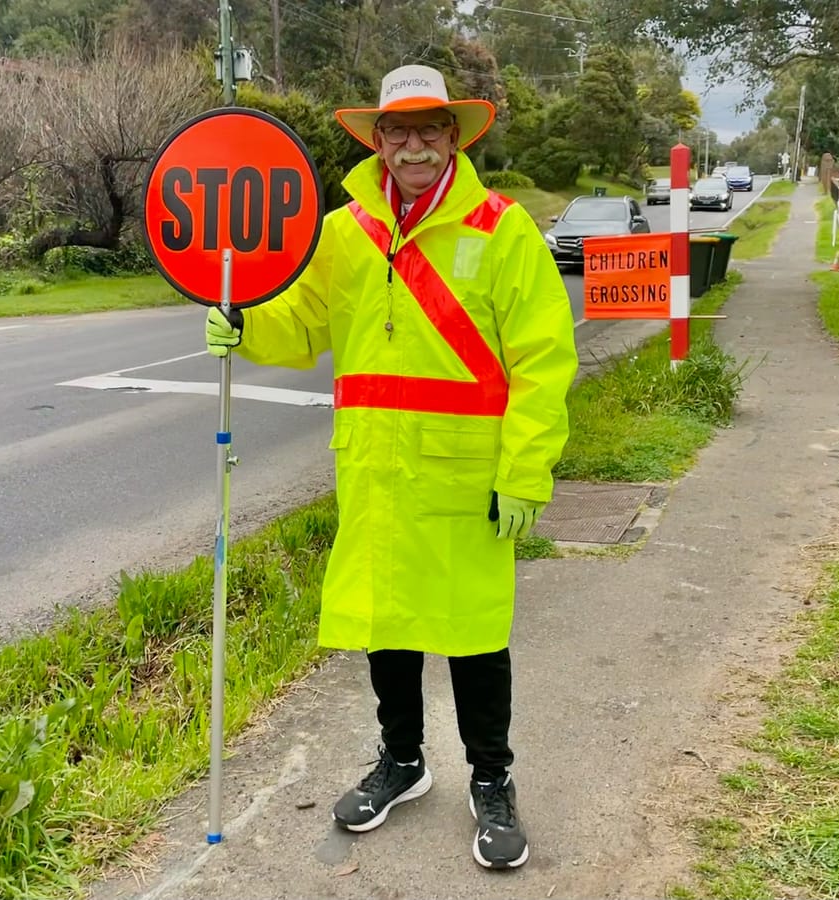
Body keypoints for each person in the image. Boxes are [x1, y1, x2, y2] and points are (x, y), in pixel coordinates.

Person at [204, 64, 578, 869]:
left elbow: (545, 362)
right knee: (387, 624)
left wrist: (525, 470)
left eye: (431, 130)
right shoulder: (342, 232)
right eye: (399, 131)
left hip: (466, 475)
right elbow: (301, 323)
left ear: (455, 137)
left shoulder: (501, 228)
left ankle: (493, 780)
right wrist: (243, 323)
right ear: (378, 139)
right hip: (374, 469)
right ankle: (403, 762)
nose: (414, 145)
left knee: (476, 636)